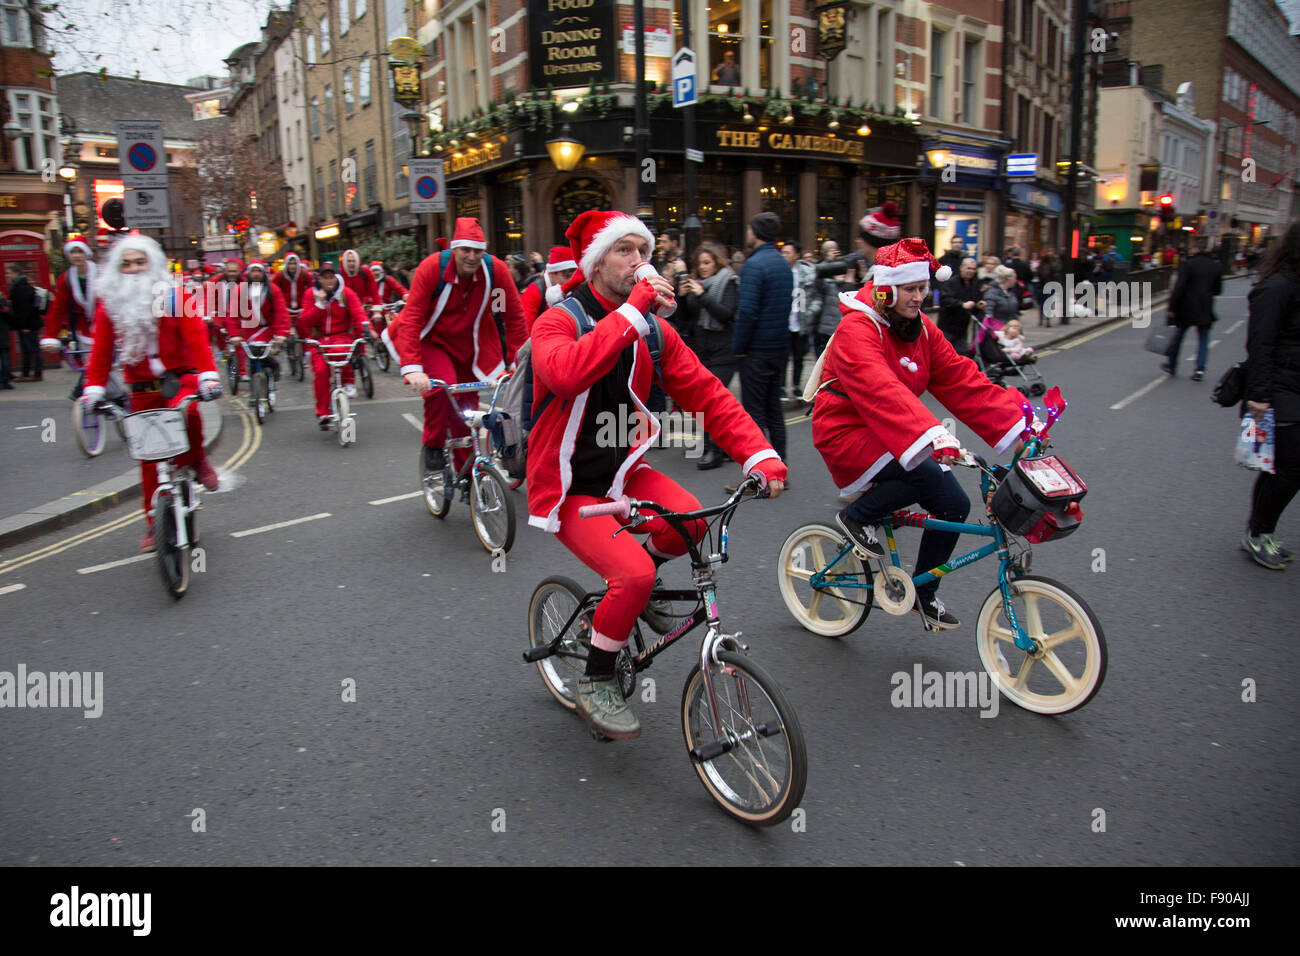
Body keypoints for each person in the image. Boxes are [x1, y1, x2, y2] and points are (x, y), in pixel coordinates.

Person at [528, 209, 787, 739]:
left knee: (692, 522)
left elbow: (710, 395)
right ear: (596, 262)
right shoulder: (558, 320)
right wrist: (632, 313)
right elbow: (566, 372)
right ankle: (597, 678)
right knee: (634, 574)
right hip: (569, 484)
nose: (638, 262)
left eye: (642, 252)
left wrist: (758, 454)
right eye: (624, 251)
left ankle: (632, 601)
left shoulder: (654, 332)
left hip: (622, 473)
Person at [808, 237, 1042, 628]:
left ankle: (923, 593)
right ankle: (856, 517)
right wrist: (934, 436)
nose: (919, 297)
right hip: (846, 428)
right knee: (923, 472)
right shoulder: (857, 329)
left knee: (954, 505)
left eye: (922, 288)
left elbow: (962, 378)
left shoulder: (923, 331)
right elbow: (882, 386)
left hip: (896, 428)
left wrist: (1020, 423)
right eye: (911, 289)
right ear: (885, 290)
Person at [80, 236, 222, 552]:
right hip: (142, 387)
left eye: (139, 262)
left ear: (152, 264)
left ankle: (197, 460)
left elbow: (196, 338)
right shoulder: (111, 305)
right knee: (148, 457)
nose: (133, 269)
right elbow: (102, 351)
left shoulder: (176, 296)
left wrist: (208, 377)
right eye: (126, 264)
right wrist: (94, 388)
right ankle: (152, 523)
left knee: (191, 414)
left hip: (179, 378)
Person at [391, 217, 526, 474]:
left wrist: (517, 361)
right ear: (454, 249)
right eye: (466, 250)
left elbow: (514, 316)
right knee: (442, 387)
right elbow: (412, 318)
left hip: (472, 346)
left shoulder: (495, 270)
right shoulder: (431, 268)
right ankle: (432, 444)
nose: (472, 257)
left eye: (477, 251)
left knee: (468, 412)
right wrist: (412, 367)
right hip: (433, 342)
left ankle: (466, 470)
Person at [1241, 222, 1300, 569]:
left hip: (1292, 385)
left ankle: (1260, 530)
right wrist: (1260, 395)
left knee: (1281, 465)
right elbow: (1260, 344)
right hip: (1281, 389)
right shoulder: (1278, 288)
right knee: (1290, 467)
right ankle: (1258, 532)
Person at [733, 211, 794, 476]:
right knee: (774, 411)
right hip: (779, 347)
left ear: (755, 232)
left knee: (754, 414)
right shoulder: (783, 264)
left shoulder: (754, 265)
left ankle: (760, 475)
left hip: (756, 350)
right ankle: (781, 469)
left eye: (749, 229)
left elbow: (747, 311)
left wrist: (739, 347)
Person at [679, 242, 739, 469]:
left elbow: (725, 314)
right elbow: (686, 318)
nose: (703, 267)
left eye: (707, 262)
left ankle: (713, 449)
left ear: (716, 262)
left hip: (724, 352)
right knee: (706, 402)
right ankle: (721, 446)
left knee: (710, 400)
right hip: (701, 351)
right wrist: (683, 297)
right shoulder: (696, 285)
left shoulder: (728, 282)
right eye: (699, 264)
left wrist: (702, 295)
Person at [299, 261, 368, 428]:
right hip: (319, 339)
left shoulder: (346, 293)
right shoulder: (311, 294)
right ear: (319, 280)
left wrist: (368, 330)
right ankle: (323, 412)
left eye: (331, 277)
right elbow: (305, 322)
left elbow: (359, 314)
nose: (329, 281)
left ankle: (347, 380)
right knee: (321, 371)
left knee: (342, 353)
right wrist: (319, 305)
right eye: (325, 278)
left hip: (341, 336)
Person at [1162, 237, 1222, 381]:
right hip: (1205, 308)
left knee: (1178, 337)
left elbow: (1179, 287)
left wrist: (1172, 307)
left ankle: (1171, 364)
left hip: (1186, 307)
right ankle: (1199, 369)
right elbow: (1218, 290)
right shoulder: (1215, 266)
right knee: (1203, 339)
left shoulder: (1187, 264)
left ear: (1195, 249)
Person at [225, 260, 290, 378]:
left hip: (268, 329)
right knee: (248, 353)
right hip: (246, 330)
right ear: (248, 273)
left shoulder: (273, 289)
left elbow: (281, 312)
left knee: (262, 352)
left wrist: (282, 333)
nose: (256, 274)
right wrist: (234, 334)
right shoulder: (239, 290)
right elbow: (232, 314)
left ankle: (270, 369)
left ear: (263, 273)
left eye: (258, 271)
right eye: (253, 271)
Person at [45, 238, 98, 348]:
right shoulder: (65, 279)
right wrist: (51, 335)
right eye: (72, 252)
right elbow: (58, 308)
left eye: (80, 251)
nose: (76, 255)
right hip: (82, 330)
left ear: (86, 253)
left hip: (106, 327)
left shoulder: (101, 274)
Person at [783, 241, 817, 398]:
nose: (784, 255)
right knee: (783, 356)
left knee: (798, 357)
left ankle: (796, 386)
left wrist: (809, 313)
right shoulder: (780, 271)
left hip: (801, 321)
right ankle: (781, 387)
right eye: (782, 252)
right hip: (784, 322)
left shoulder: (807, 273)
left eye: (787, 252)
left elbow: (816, 297)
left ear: (796, 255)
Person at [521, 246, 577, 331]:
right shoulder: (535, 291)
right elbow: (525, 328)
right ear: (551, 274)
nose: (570, 281)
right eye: (566, 276)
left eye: (573, 277)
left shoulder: (577, 287)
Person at [4, 263, 44, 382]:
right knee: (27, 349)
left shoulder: (22, 288)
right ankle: (26, 373)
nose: (7, 275)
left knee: (32, 348)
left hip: (28, 324)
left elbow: (25, 309)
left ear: (17, 273)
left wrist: (25, 326)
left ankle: (37, 373)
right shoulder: (20, 286)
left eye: (10, 273)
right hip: (26, 323)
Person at [937, 257, 984, 354]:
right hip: (948, 327)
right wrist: (961, 305)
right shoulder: (951, 282)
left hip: (963, 328)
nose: (971, 271)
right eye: (968, 268)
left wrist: (978, 305)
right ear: (961, 267)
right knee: (944, 353)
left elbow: (975, 301)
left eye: (973, 269)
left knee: (962, 354)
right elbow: (945, 300)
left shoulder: (975, 284)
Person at [273, 252, 313, 332]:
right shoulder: (279, 276)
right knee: (285, 334)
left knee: (304, 334)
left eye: (294, 263)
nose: (292, 266)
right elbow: (273, 291)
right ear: (286, 264)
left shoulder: (305, 275)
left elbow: (312, 290)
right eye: (290, 263)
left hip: (302, 310)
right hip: (285, 310)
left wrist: (307, 306)